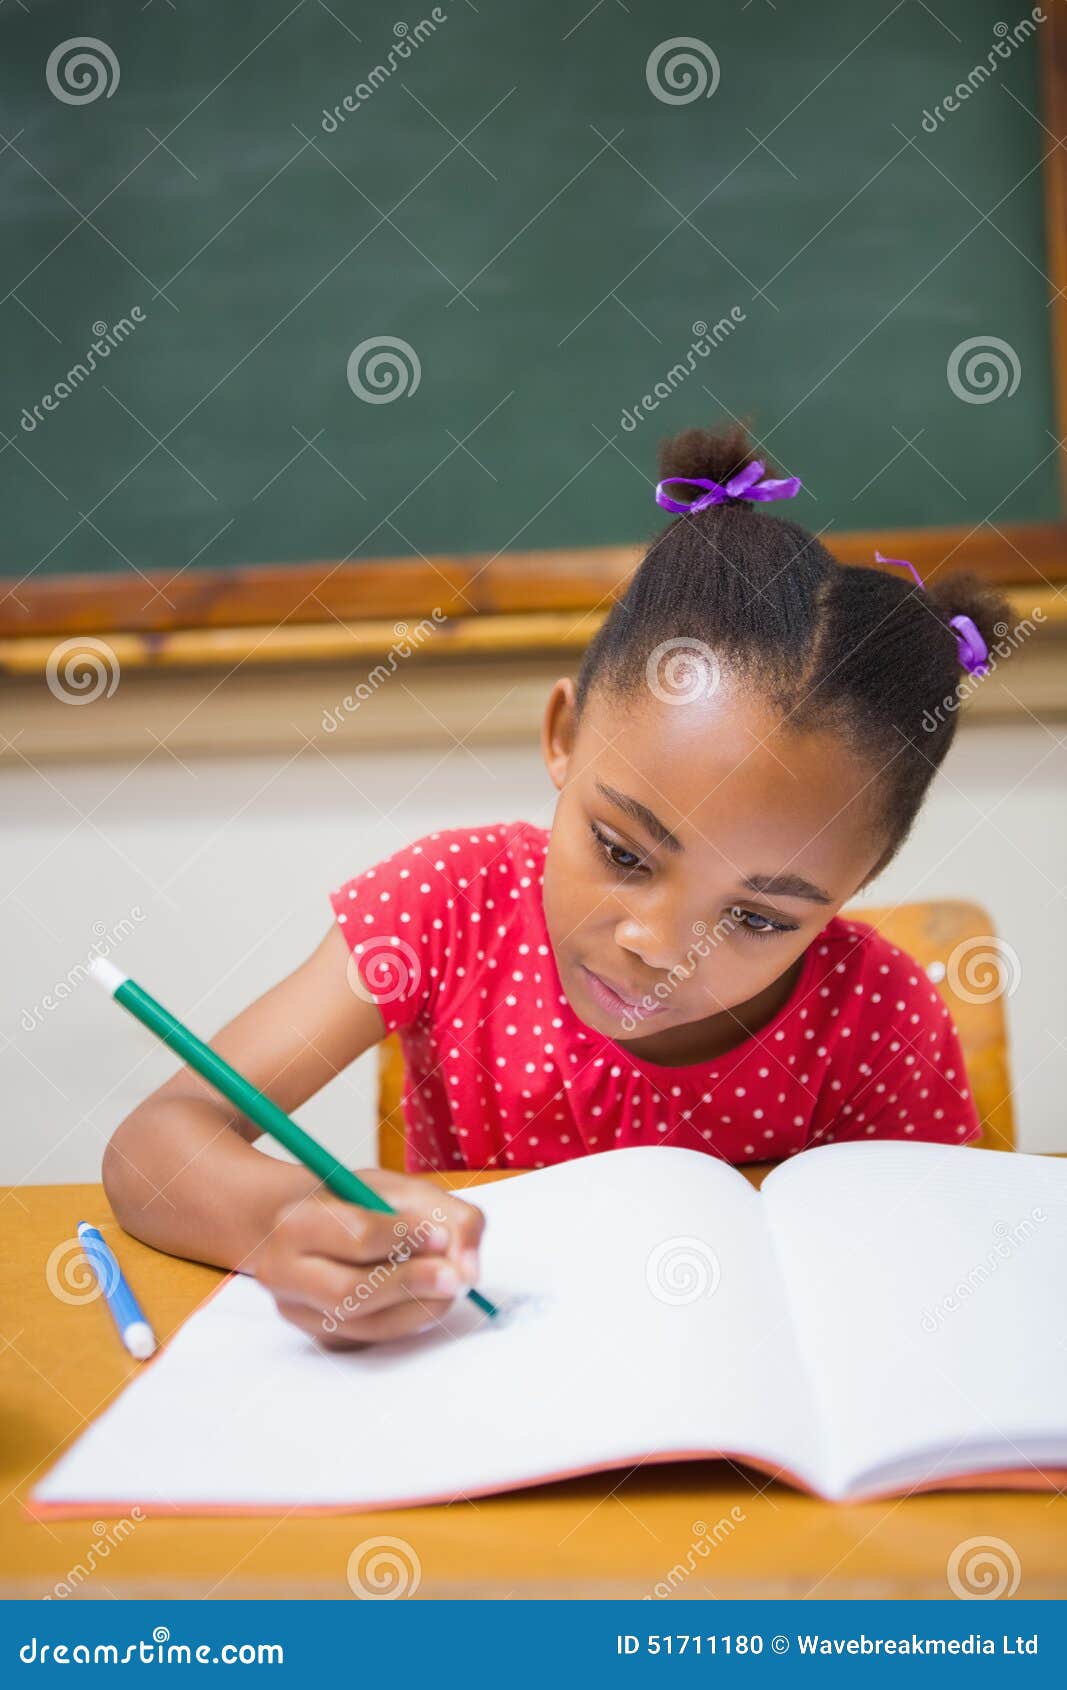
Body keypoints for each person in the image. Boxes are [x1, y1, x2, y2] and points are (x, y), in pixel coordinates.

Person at [102, 419, 1013, 1347]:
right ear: (563, 738)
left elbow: (939, 1273)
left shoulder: (879, 1021)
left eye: (754, 915)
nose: (658, 945)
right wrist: (281, 1222)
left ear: (854, 885)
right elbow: (154, 1147)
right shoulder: (446, 905)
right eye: (623, 852)